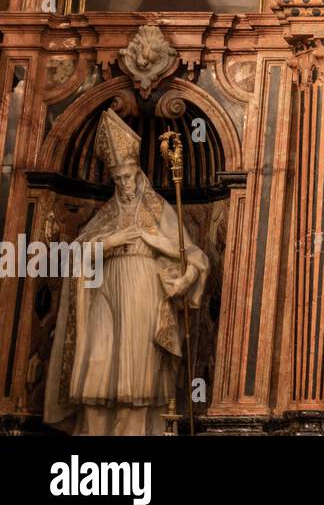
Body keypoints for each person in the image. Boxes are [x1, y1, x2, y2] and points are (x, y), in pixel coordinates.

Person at [44, 109, 208, 435]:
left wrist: (183, 282)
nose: (123, 184)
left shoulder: (159, 209)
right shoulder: (106, 215)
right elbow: (75, 254)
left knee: (140, 369)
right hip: (106, 296)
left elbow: (195, 256)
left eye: (128, 177)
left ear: (139, 175)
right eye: (117, 179)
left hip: (146, 293)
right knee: (99, 361)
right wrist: (110, 242)